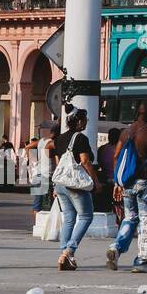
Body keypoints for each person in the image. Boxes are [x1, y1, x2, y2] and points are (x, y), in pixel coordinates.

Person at [106, 103, 147, 273]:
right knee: (146, 222)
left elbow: (116, 156)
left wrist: (118, 182)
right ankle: (140, 261)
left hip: (127, 184)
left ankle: (116, 248)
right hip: (145, 183)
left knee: (129, 218)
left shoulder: (126, 132)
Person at [53, 109, 101, 271]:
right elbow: (85, 161)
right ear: (79, 121)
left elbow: (59, 161)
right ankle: (69, 251)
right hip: (75, 184)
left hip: (60, 183)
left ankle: (65, 254)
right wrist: (96, 181)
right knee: (86, 216)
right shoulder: (80, 138)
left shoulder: (59, 138)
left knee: (68, 218)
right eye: (85, 119)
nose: (86, 121)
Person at [25, 127, 55, 224]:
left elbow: (27, 147)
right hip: (47, 174)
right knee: (50, 203)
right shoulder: (53, 143)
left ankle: (37, 224)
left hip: (37, 173)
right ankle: (42, 225)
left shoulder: (41, 141)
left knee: (37, 204)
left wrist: (33, 160)